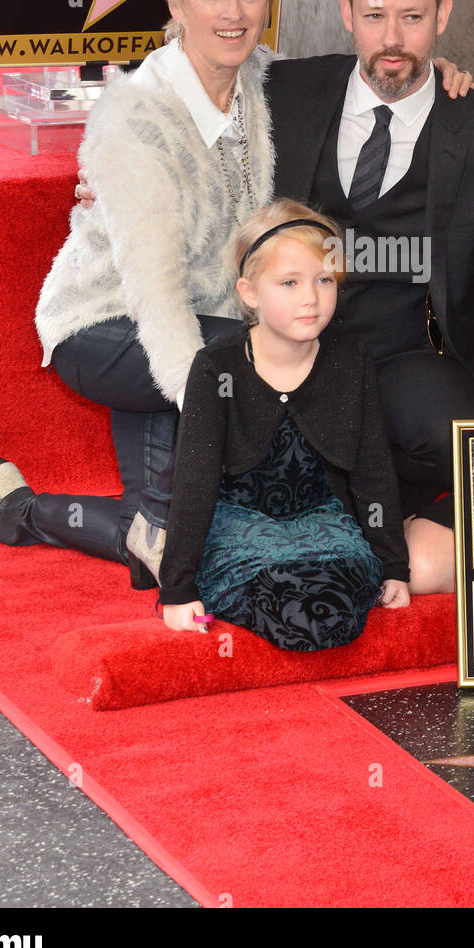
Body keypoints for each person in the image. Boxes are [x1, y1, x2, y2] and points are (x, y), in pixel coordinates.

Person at [0, 0, 474, 585]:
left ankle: (10, 505)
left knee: (171, 548)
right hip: (111, 324)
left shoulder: (266, 81)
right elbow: (156, 297)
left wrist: (437, 75)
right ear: (175, 0)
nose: (232, 13)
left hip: (210, 323)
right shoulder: (136, 116)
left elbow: (372, 72)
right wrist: (235, 407)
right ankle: (139, 517)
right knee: (233, 422)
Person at [262, 0, 474, 587]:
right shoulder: (282, 93)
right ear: (345, 12)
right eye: (375, 15)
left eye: (411, 17)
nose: (392, 40)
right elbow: (184, 90)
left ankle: (394, 517)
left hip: (410, 352)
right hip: (291, 346)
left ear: (442, 14)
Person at [146, 199, 410, 649]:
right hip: (240, 524)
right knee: (285, 601)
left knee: (334, 603)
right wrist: (178, 587)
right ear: (250, 293)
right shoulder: (217, 367)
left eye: (324, 280)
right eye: (289, 282)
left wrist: (393, 565)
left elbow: (373, 471)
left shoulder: (352, 360)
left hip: (320, 521)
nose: (310, 298)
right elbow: (196, 482)